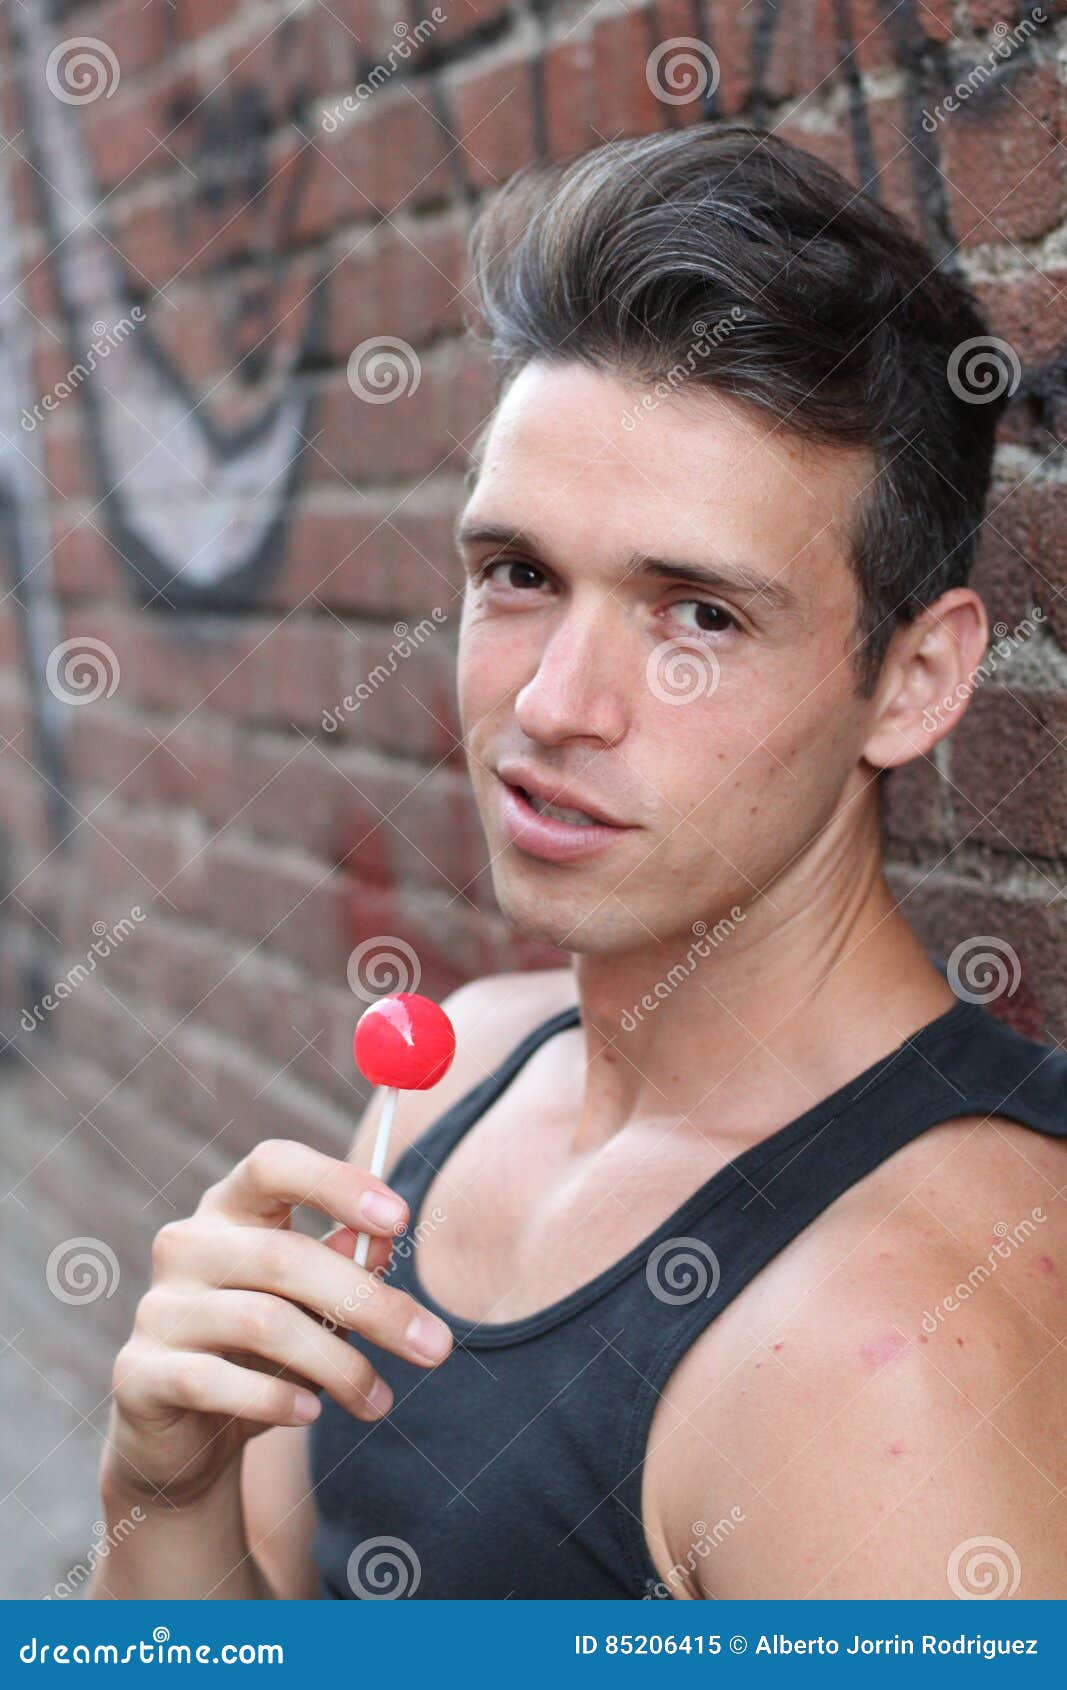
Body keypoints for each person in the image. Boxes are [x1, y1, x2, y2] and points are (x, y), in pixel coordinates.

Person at [88, 123, 1066, 1601]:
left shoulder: (889, 1349)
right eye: (520, 576)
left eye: (700, 616)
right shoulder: (447, 1084)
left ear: (915, 679)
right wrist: (161, 1495)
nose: (551, 706)